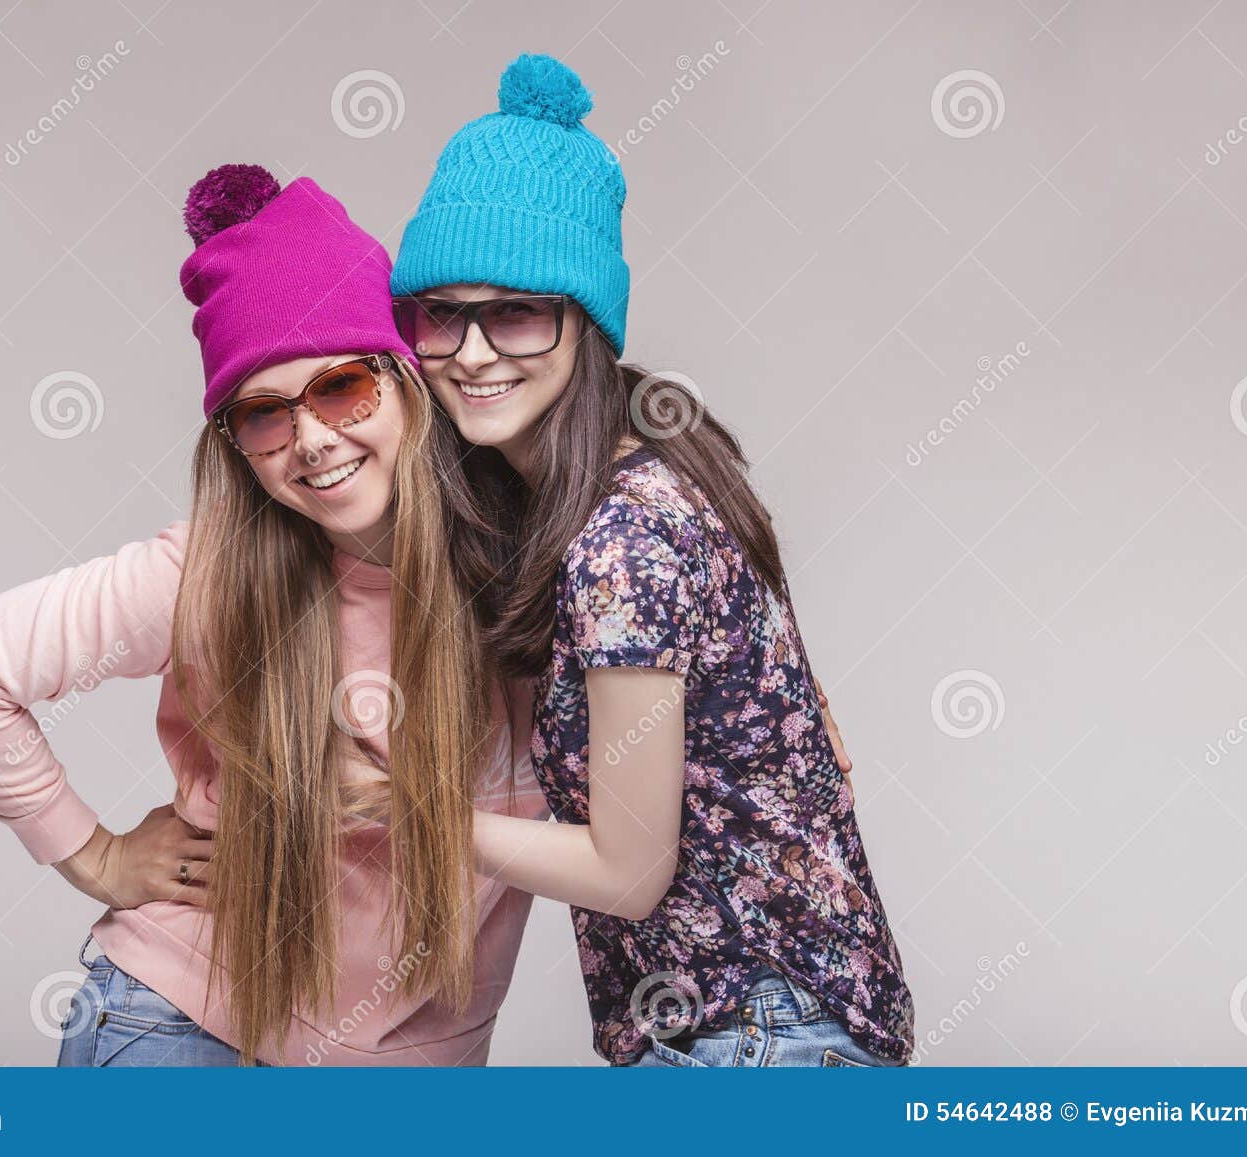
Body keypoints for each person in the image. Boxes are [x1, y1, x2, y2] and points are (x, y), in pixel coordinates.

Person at [0, 163, 546, 1067]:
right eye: (265, 414)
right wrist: (93, 855)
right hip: (185, 1031)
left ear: (408, 381)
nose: (312, 439)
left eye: (342, 386)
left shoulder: (539, 570)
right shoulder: (206, 574)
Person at [388, 53, 917, 1067]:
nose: (472, 351)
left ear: (586, 322)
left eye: (517, 310)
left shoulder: (620, 540)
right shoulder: (647, 462)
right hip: (780, 1029)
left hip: (754, 1043)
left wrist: (405, 815)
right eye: (441, 312)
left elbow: (628, 873)